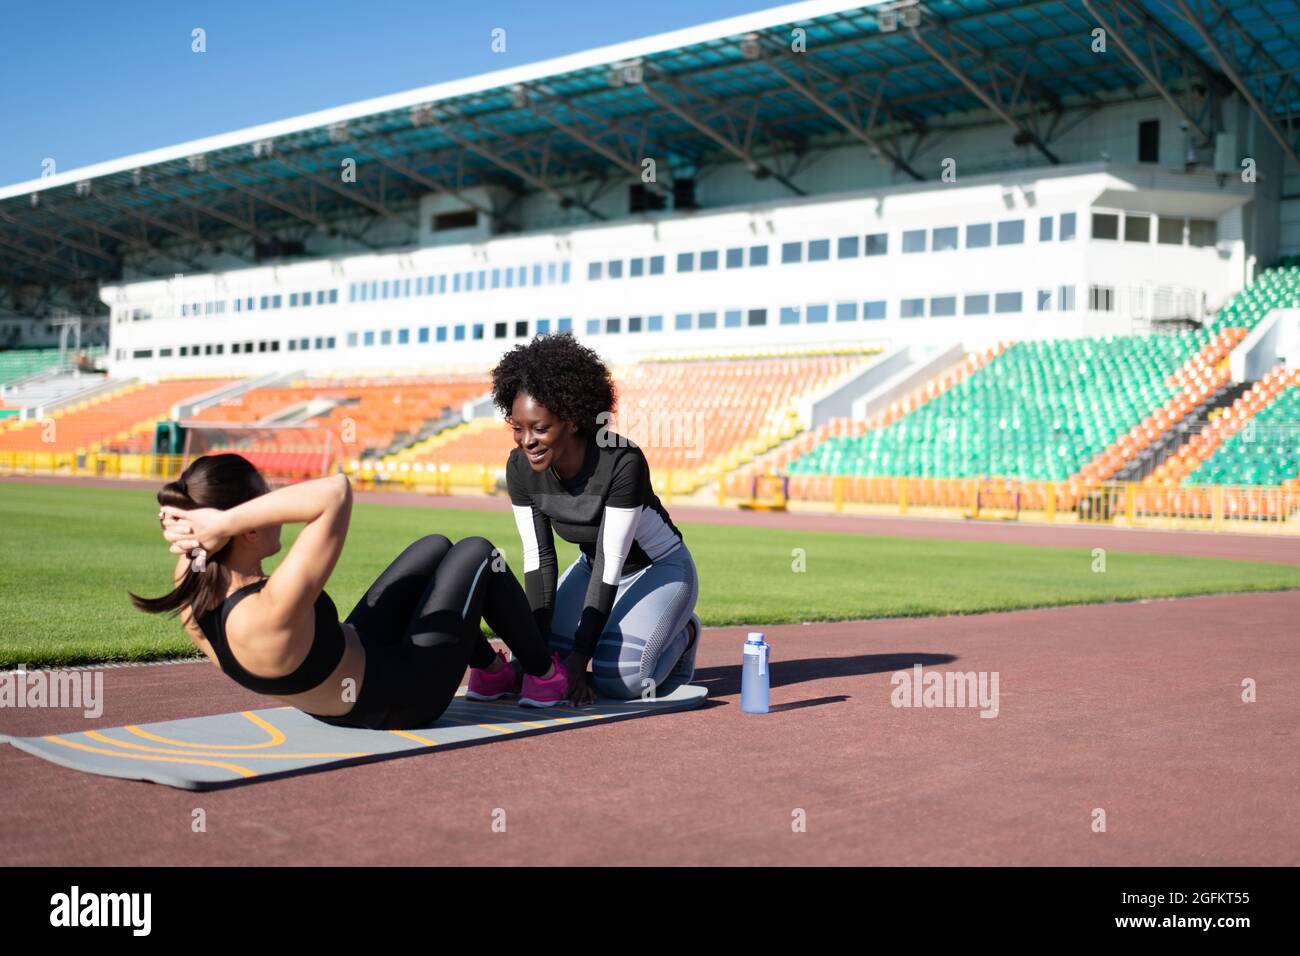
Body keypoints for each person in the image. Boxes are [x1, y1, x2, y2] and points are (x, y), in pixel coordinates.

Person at [130, 453, 574, 730]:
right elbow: (335, 491)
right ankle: (545, 677)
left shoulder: (192, 585)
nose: (276, 506)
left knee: (434, 548)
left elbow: (191, 532)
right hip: (402, 696)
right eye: (264, 500)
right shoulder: (269, 610)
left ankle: (492, 675)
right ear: (242, 527)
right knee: (478, 553)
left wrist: (199, 519)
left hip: (350, 679)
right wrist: (227, 519)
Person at [492, 332, 702, 705]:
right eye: (518, 428)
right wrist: (537, 659)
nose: (527, 441)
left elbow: (611, 561)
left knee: (620, 681)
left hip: (659, 568)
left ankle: (684, 630)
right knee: (547, 658)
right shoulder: (520, 468)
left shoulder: (621, 461)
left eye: (540, 429)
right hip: (592, 567)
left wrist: (578, 662)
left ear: (571, 421)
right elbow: (538, 560)